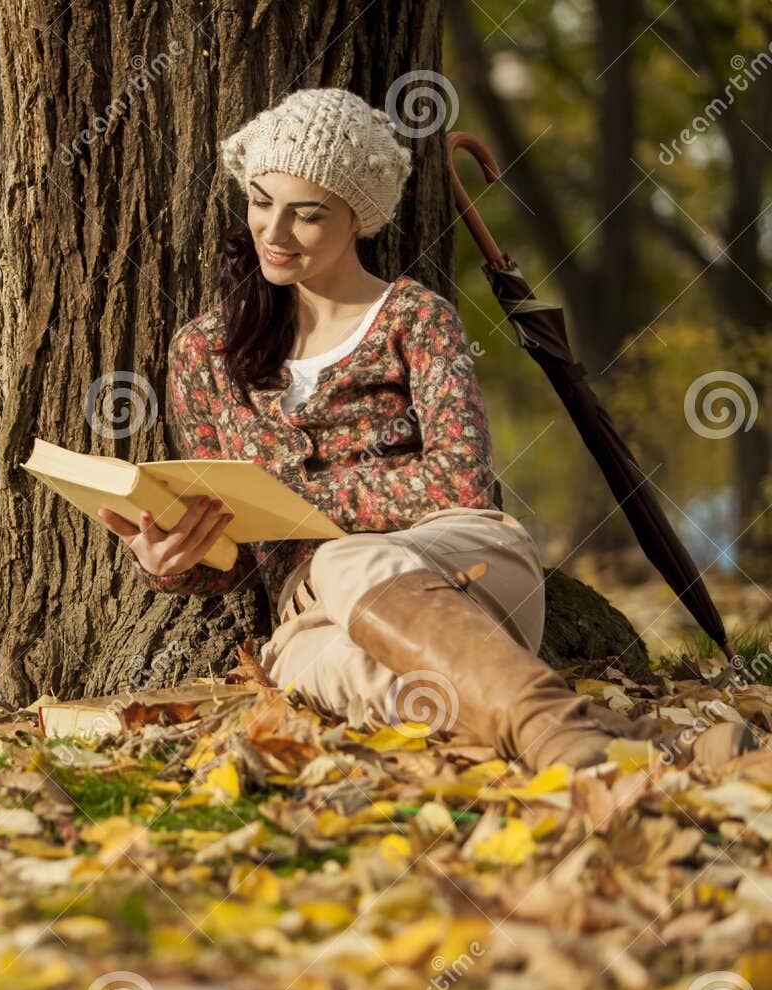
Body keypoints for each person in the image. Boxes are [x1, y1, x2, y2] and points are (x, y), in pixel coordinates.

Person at [98, 87, 752, 771]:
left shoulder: (417, 317)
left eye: (307, 214)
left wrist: (298, 506)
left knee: (345, 557)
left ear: (359, 218)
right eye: (261, 202)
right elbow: (230, 552)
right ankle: (631, 747)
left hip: (466, 565)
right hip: (312, 617)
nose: (274, 231)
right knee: (320, 670)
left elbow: (460, 478)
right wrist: (172, 563)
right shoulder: (205, 353)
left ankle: (584, 741)